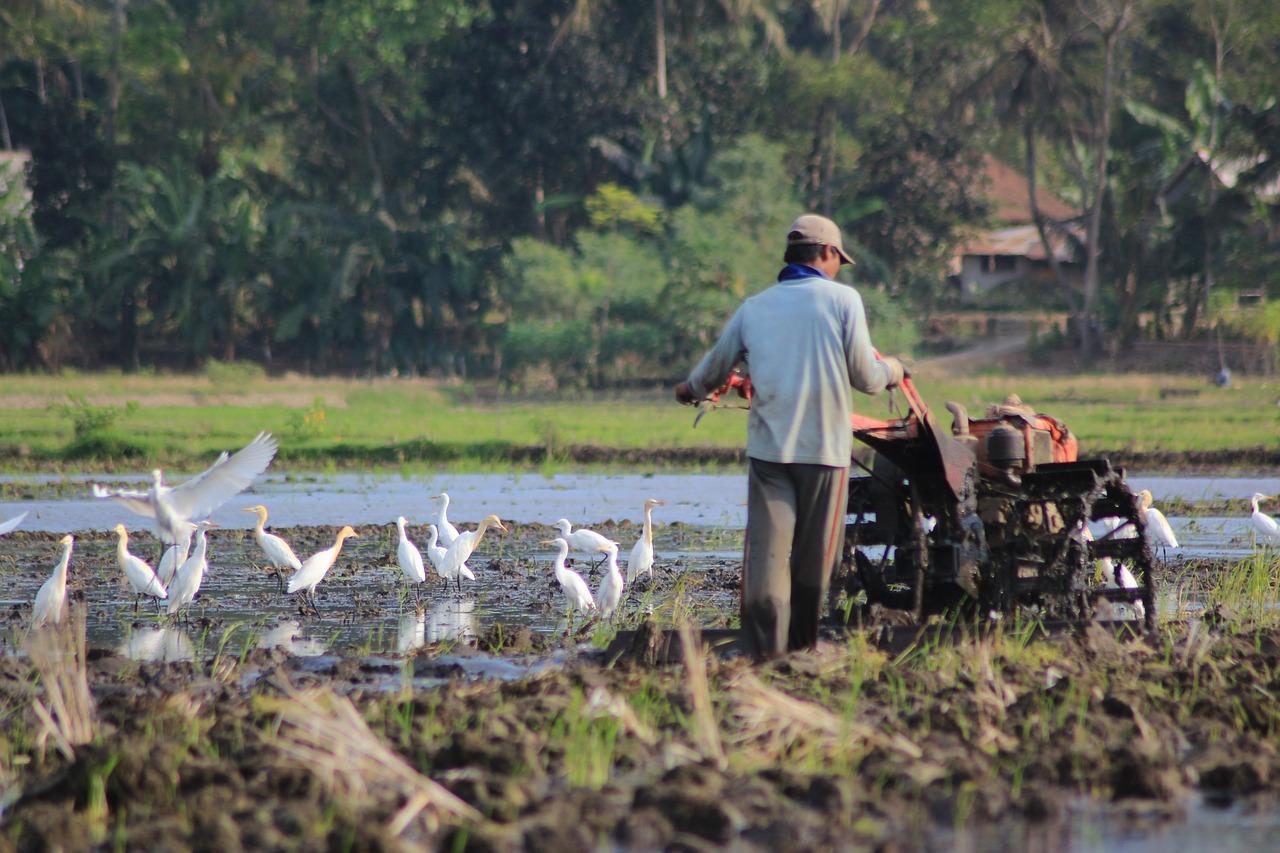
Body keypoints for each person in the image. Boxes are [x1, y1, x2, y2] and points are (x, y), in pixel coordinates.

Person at [675, 214, 905, 659]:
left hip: (770, 455)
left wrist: (689, 390)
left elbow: (712, 371)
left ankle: (766, 656)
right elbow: (868, 378)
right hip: (825, 454)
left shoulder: (755, 307)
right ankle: (802, 651)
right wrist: (895, 368)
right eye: (839, 259)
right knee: (814, 566)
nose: (839, 267)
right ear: (827, 254)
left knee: (764, 564)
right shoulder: (844, 301)